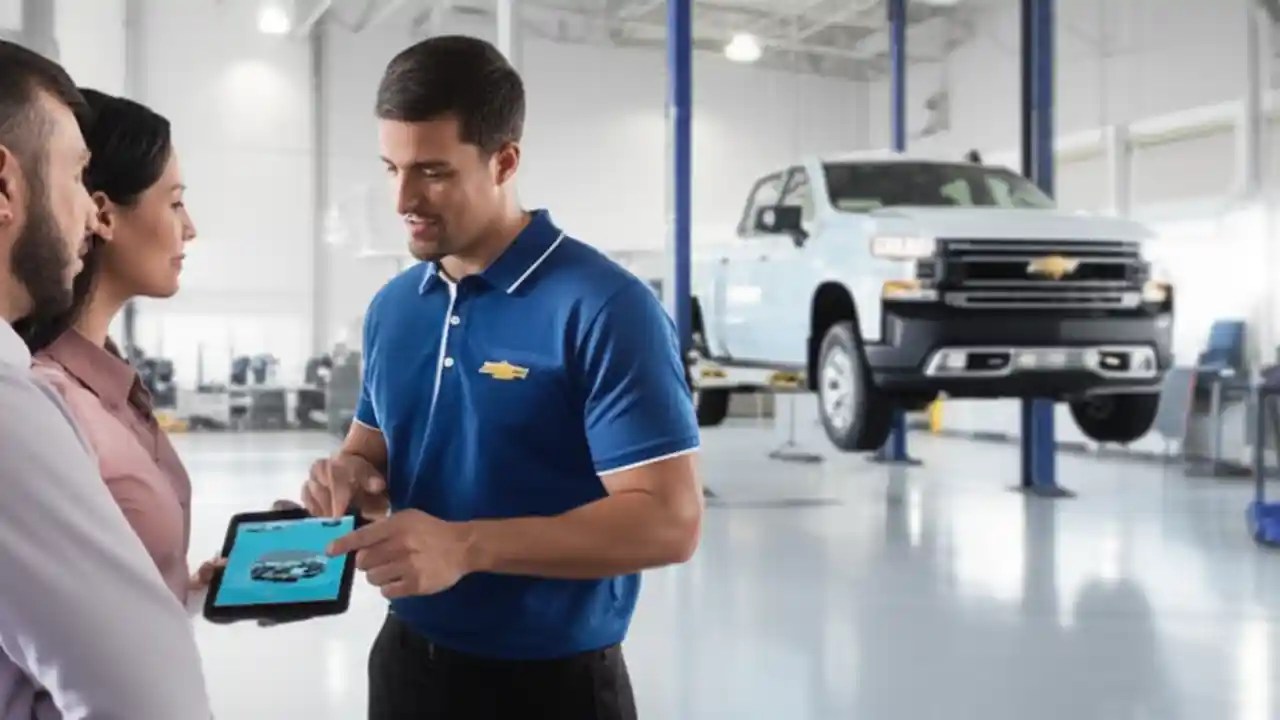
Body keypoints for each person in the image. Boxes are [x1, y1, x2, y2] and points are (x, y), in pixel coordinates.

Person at [302, 35, 704, 718]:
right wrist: (348, 478)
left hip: (553, 686)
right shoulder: (394, 308)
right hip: (406, 664)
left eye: (432, 171)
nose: (404, 197)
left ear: (504, 161)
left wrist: (466, 545)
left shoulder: (603, 307)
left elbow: (669, 521)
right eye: (391, 167)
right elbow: (371, 450)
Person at [0, 41, 212, 718]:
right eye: (73, 178)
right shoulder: (29, 404)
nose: (85, 215)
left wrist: (182, 592)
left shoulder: (104, 386)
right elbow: (143, 701)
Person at [15, 88, 222, 612]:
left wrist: (196, 594)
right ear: (100, 214)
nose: (190, 227)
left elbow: (111, 609)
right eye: (174, 202)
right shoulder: (45, 399)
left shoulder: (112, 386)